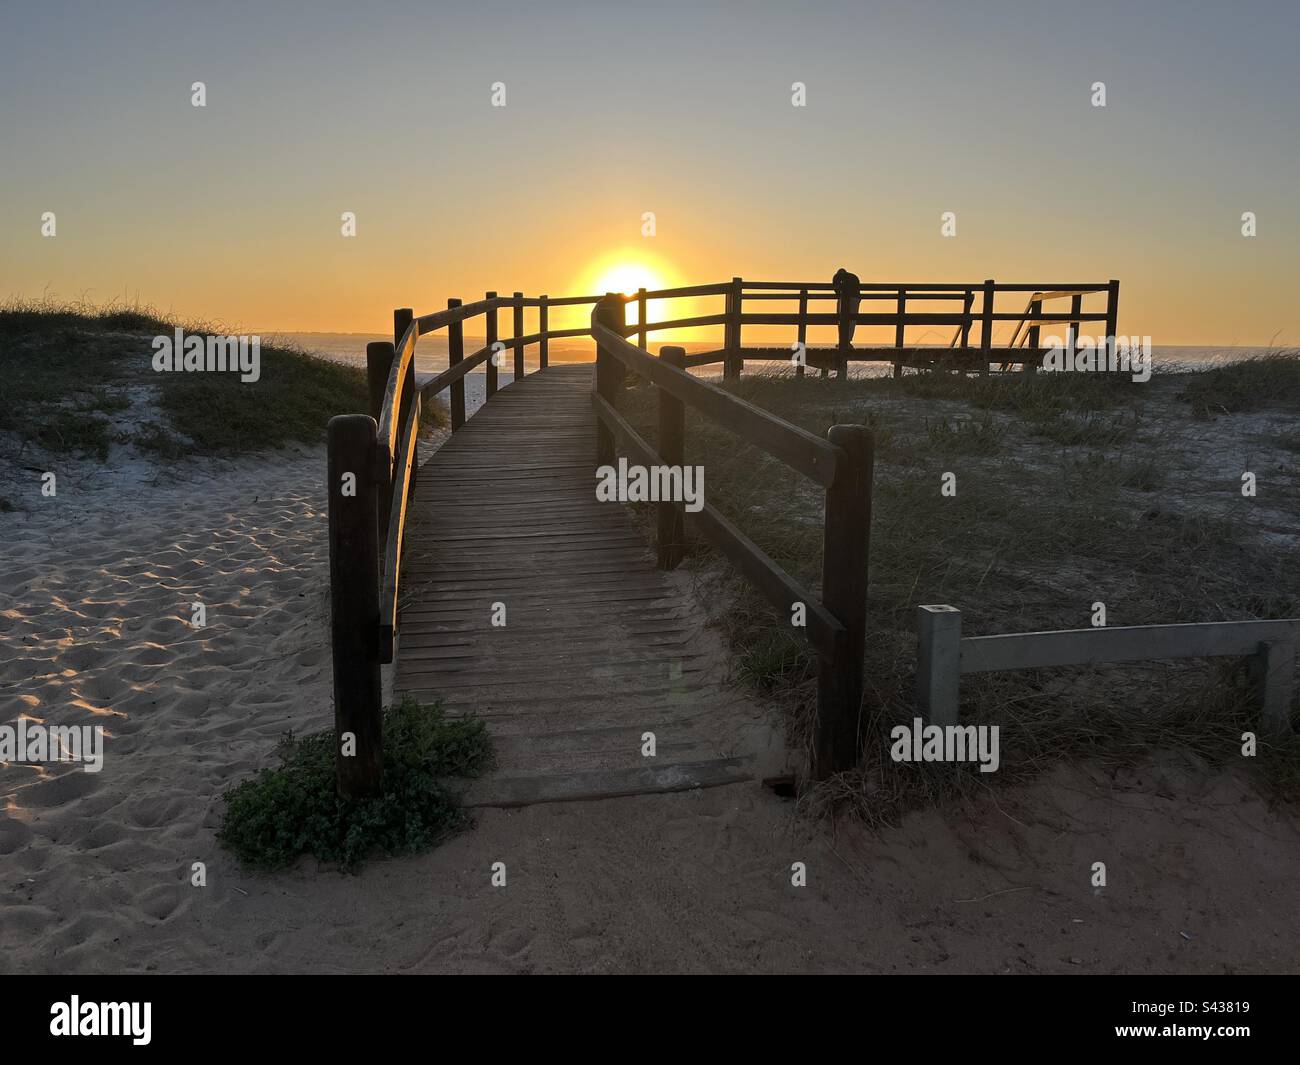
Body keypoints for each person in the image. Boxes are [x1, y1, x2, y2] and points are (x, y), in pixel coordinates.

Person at [832, 267, 861, 379]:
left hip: (846, 299)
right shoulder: (853, 277)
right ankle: (847, 341)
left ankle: (843, 342)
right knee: (852, 321)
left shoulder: (838, 277)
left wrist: (838, 293)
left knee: (841, 320)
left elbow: (835, 287)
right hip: (855, 298)